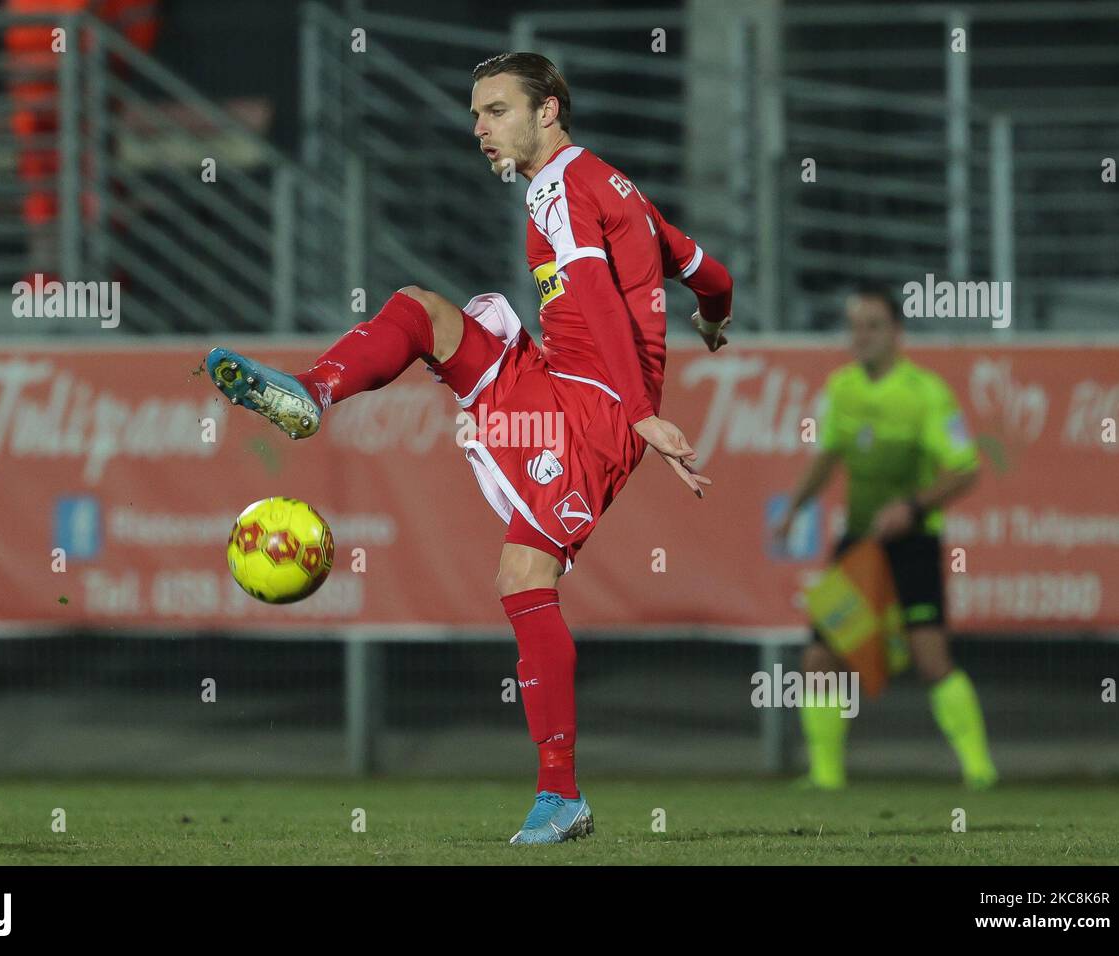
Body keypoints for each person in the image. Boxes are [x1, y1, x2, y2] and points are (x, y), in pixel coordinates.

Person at [206, 52, 733, 844]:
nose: (478, 129)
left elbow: (591, 289)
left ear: (547, 110)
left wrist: (641, 412)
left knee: (525, 573)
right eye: (475, 114)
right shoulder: (614, 186)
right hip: (557, 380)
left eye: (494, 111)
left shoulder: (558, 185)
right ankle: (313, 393)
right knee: (423, 312)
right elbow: (708, 271)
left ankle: (561, 795)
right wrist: (715, 320)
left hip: (592, 412)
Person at [773, 285, 999, 790]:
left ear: (897, 333)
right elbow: (829, 455)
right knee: (819, 656)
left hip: (914, 541)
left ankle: (980, 770)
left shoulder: (925, 393)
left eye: (873, 326)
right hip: (860, 543)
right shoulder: (842, 389)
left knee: (930, 657)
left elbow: (965, 469)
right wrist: (794, 508)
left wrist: (912, 506)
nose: (863, 336)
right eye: (856, 326)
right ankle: (826, 778)